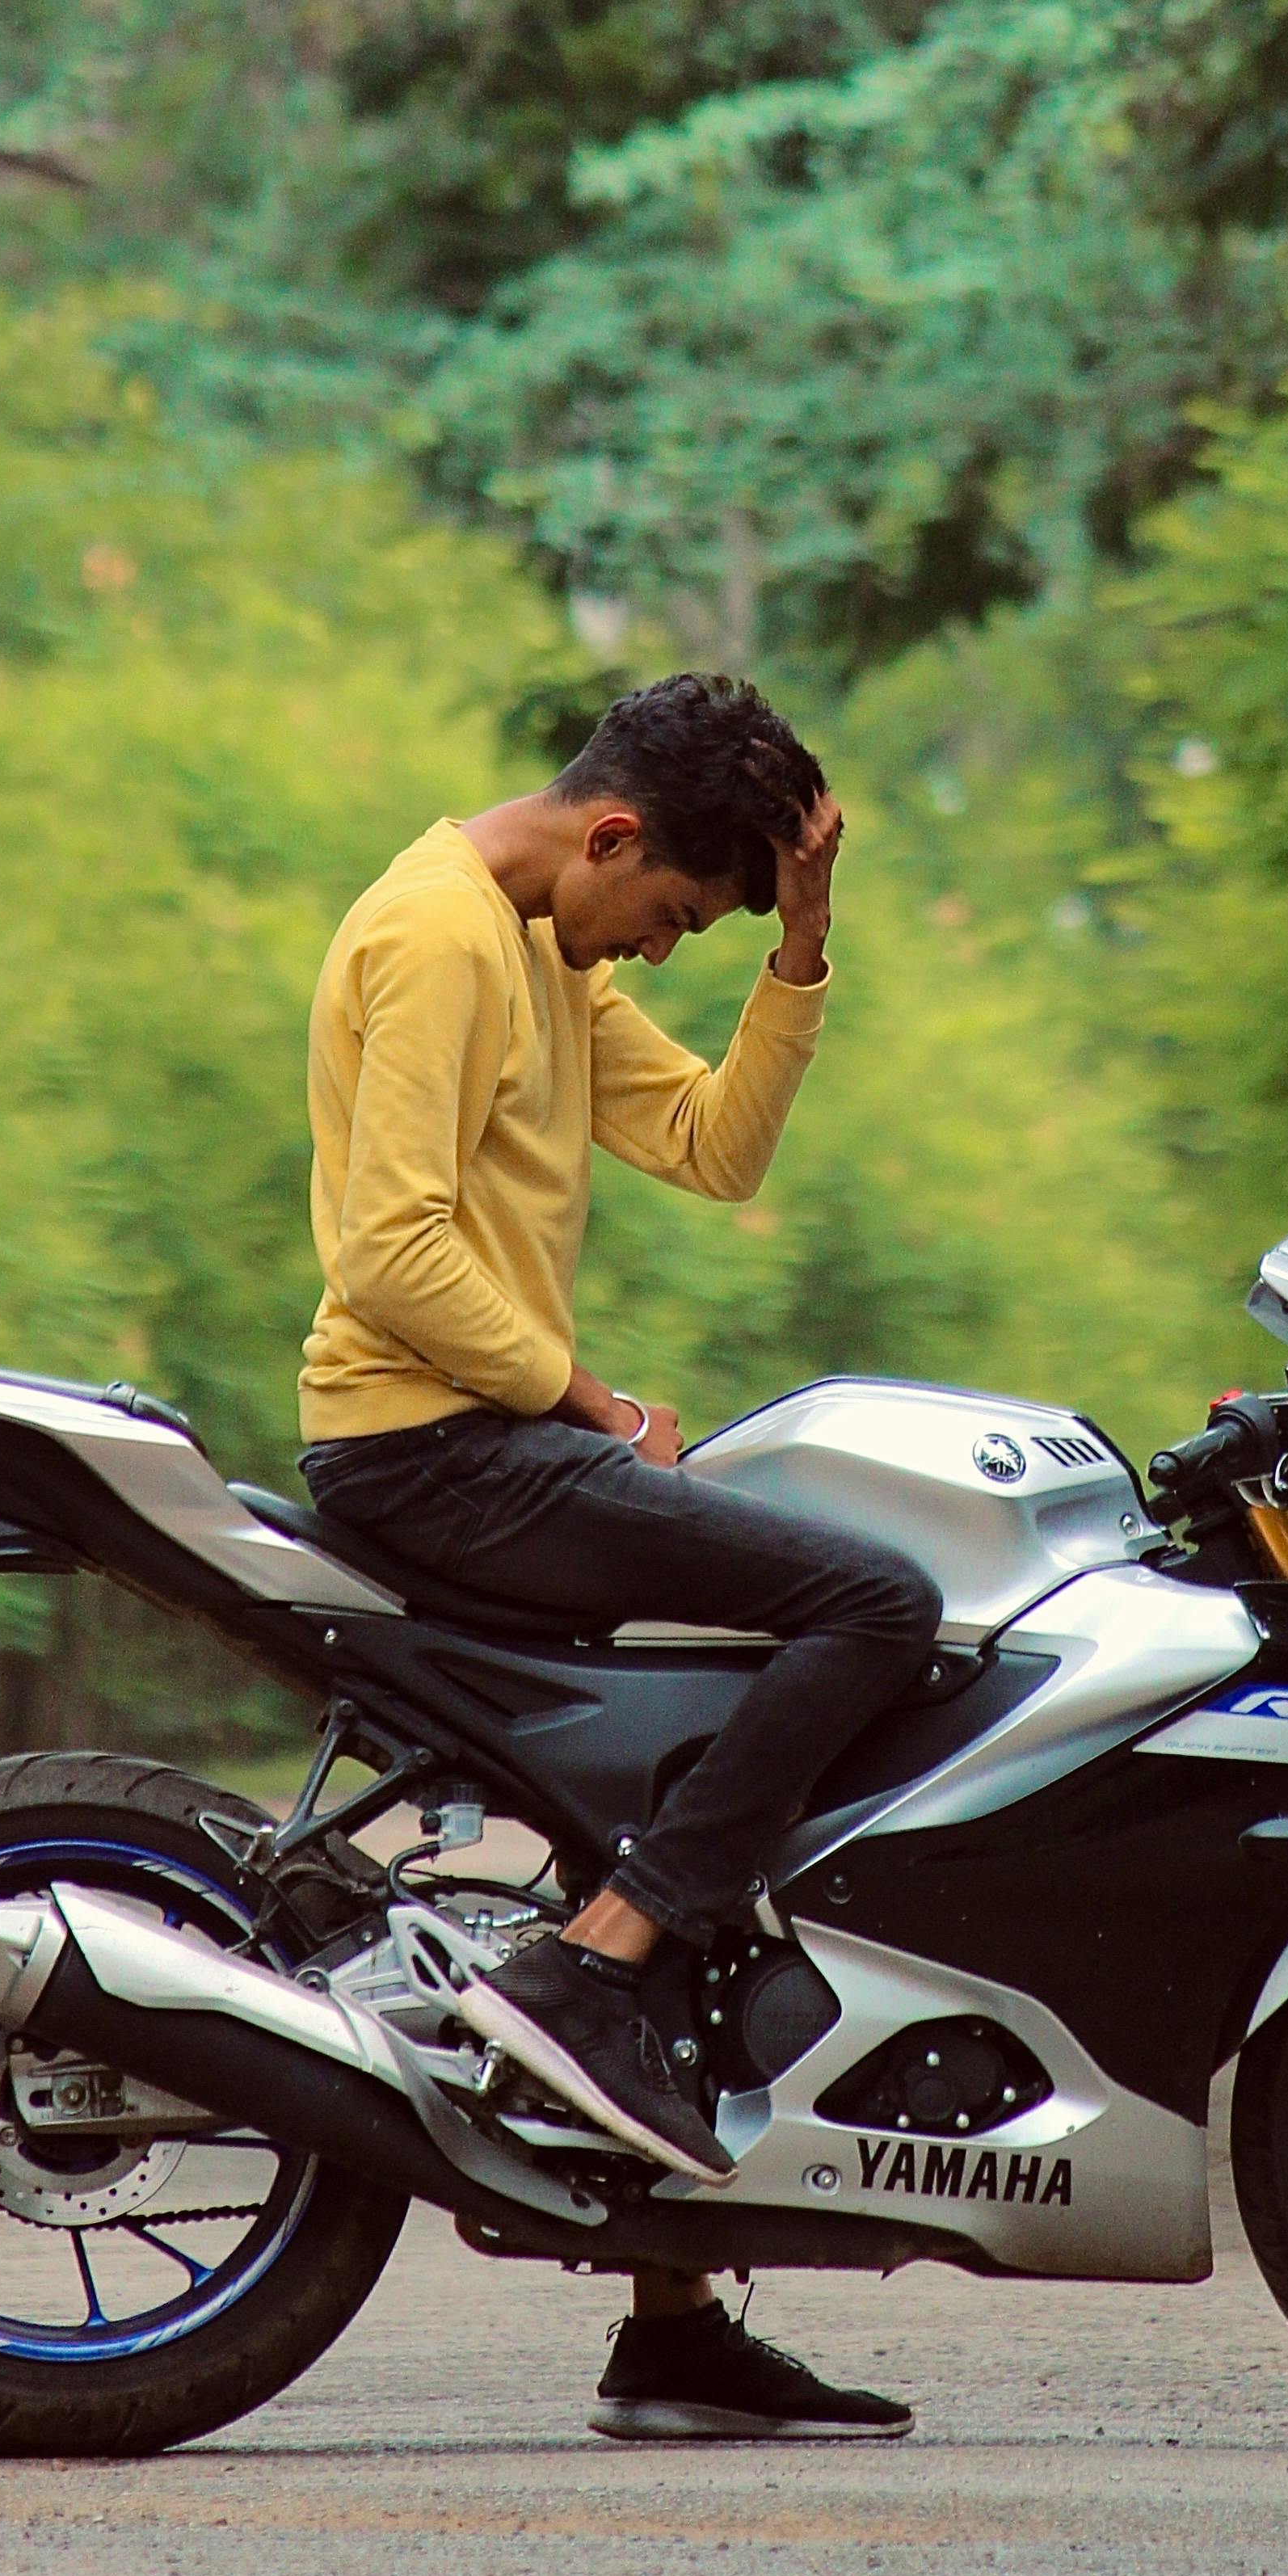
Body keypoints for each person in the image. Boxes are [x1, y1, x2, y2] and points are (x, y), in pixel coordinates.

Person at [295, 671, 941, 2443]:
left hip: (487, 1439)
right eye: (670, 912)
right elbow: (388, 1255)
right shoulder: (435, 937)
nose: (660, 951)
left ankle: (670, 2321)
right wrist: (589, 1400)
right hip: (426, 1451)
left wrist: (794, 951)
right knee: (870, 1599)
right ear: (607, 834)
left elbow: (715, 1150)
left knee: (680, 1746)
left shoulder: (546, 956)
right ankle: (587, 1964)